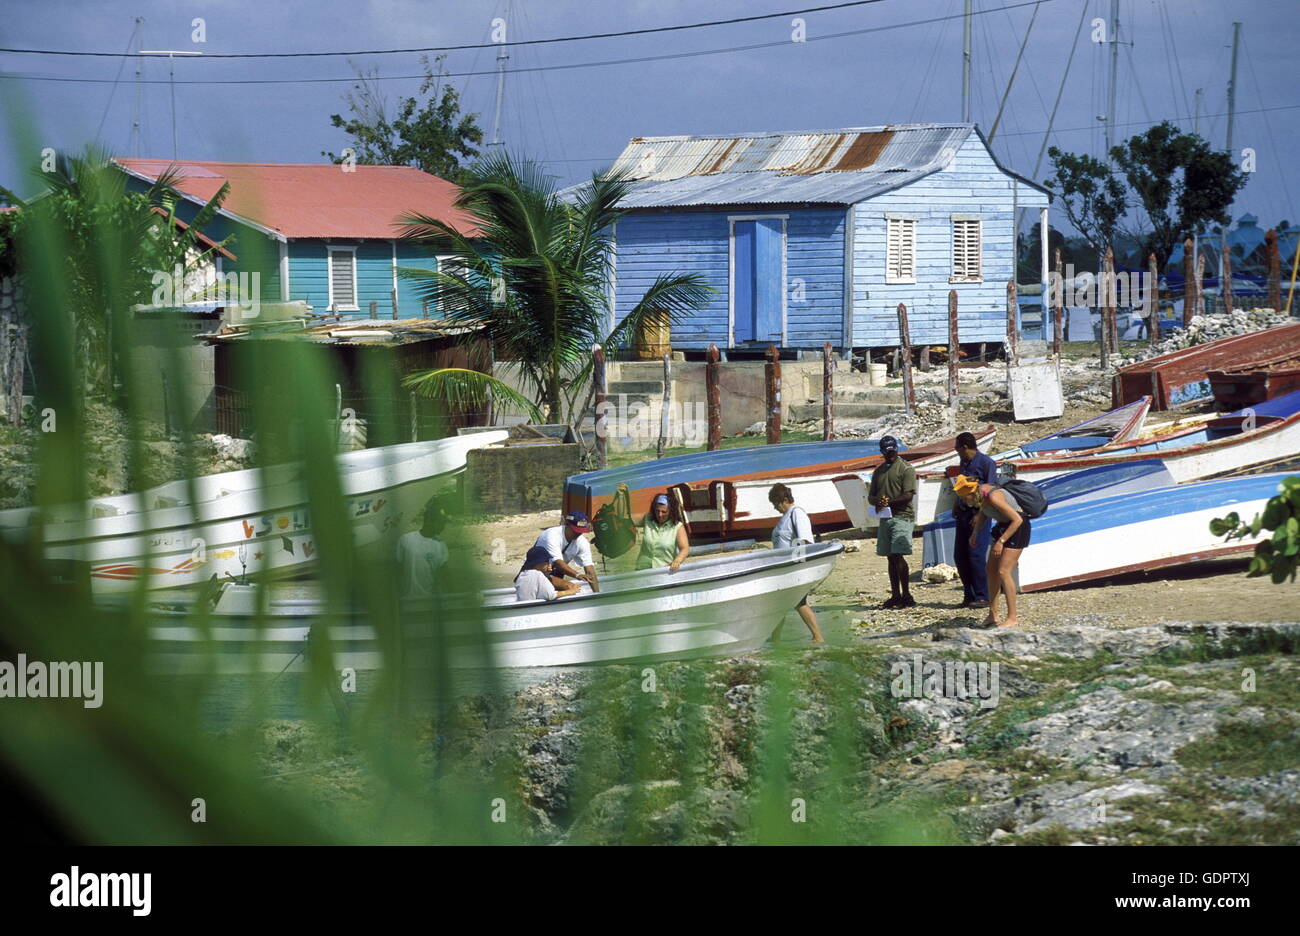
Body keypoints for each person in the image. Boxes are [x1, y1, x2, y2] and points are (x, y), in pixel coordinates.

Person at [952, 475, 1030, 628]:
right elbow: (983, 512)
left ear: (971, 492)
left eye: (964, 497)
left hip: (1018, 528)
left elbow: (1017, 520)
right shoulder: (982, 495)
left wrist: (1000, 542)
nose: (964, 501)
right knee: (991, 570)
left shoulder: (994, 496)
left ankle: (1012, 617)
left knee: (1003, 571)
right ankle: (993, 614)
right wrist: (975, 533)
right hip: (1003, 527)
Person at [767, 483, 825, 643]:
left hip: (793, 568)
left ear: (785, 500)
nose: (775, 508)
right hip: (783, 568)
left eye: (776, 504)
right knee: (780, 605)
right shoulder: (786, 517)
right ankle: (775, 639)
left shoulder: (797, 513)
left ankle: (817, 637)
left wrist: (799, 566)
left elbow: (805, 540)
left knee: (798, 602)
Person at [868, 435, 918, 608]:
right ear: (882, 452)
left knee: (898, 555)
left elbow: (908, 495)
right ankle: (896, 595)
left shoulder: (906, 469)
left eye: (892, 451)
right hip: (885, 517)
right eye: (887, 452)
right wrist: (878, 502)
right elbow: (871, 497)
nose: (890, 454)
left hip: (902, 516)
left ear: (896, 449)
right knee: (890, 557)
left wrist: (888, 502)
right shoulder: (879, 471)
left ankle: (907, 595)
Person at [951, 431, 998, 608]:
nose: (956, 450)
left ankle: (982, 595)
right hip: (963, 513)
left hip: (979, 514)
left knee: (976, 555)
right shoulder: (964, 462)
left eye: (957, 447)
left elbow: (991, 489)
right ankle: (968, 594)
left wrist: (980, 514)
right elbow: (962, 487)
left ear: (965, 447)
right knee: (960, 555)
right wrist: (956, 504)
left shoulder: (987, 463)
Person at [533, 510, 600, 593]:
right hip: (534, 572)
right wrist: (577, 575)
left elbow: (590, 570)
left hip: (556, 573)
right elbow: (558, 563)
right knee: (570, 587)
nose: (578, 534)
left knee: (567, 589)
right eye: (575, 531)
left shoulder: (582, 542)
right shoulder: (552, 535)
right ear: (567, 524)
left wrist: (597, 594)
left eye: (581, 532)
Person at [396, 497, 451, 598]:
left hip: (432, 600)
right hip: (408, 599)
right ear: (429, 521)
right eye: (440, 523)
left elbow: (444, 574)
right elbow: (397, 570)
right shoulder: (406, 540)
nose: (443, 526)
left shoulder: (440, 545)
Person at [636, 493, 690, 572]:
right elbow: (626, 519)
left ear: (671, 511)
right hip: (642, 570)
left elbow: (684, 548)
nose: (660, 515)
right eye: (657, 511)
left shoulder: (677, 526)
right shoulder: (647, 518)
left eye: (664, 512)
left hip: (664, 571)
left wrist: (677, 561)